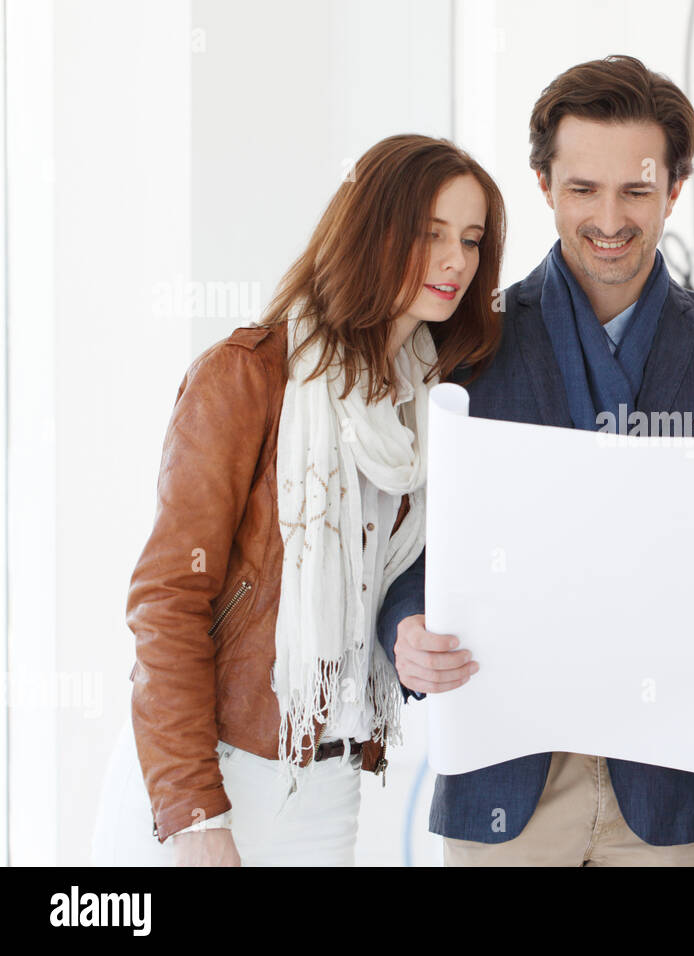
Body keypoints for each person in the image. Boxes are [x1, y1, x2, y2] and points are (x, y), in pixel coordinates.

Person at [377, 55, 694, 867]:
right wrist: (404, 628)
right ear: (545, 186)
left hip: (676, 781)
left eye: (637, 190)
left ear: (676, 190)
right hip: (506, 775)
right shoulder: (466, 341)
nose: (610, 219)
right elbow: (408, 535)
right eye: (584, 189)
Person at [120, 134, 505, 866]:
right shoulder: (248, 376)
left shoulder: (429, 405)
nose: (457, 260)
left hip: (332, 780)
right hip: (222, 772)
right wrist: (193, 812)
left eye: (472, 239)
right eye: (430, 234)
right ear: (372, 230)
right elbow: (167, 599)